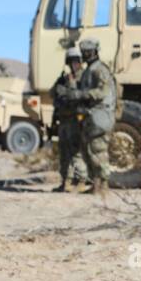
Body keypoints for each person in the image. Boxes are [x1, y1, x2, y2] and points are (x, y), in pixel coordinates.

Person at [55, 36, 116, 195]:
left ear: (94, 52)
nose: (85, 55)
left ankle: (103, 186)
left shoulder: (99, 69)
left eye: (87, 52)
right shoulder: (90, 69)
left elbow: (103, 92)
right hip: (91, 116)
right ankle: (96, 184)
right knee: (90, 151)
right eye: (84, 52)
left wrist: (81, 94)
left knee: (98, 151)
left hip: (100, 115)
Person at [52, 48, 88, 192]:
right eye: (72, 61)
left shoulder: (84, 78)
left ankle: (81, 180)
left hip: (76, 119)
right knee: (64, 152)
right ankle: (65, 181)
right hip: (64, 119)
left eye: (77, 61)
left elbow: (82, 97)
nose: (75, 64)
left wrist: (71, 89)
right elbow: (54, 94)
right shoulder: (64, 78)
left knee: (76, 151)